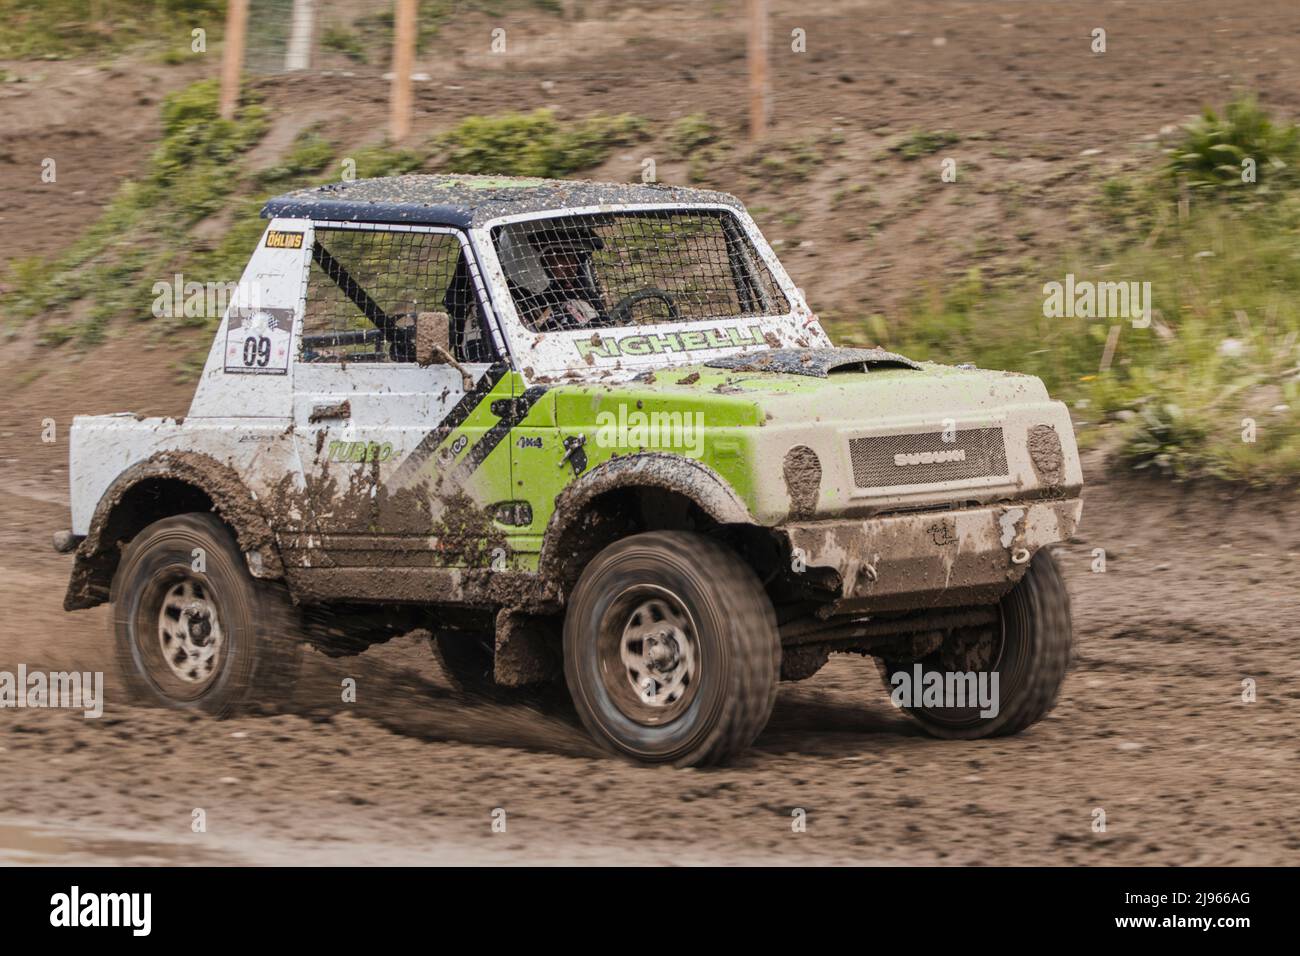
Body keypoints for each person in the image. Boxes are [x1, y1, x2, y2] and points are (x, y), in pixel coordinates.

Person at [499, 221, 608, 331]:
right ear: (528, 257)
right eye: (561, 256)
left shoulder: (584, 303)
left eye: (574, 257)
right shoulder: (506, 308)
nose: (573, 266)